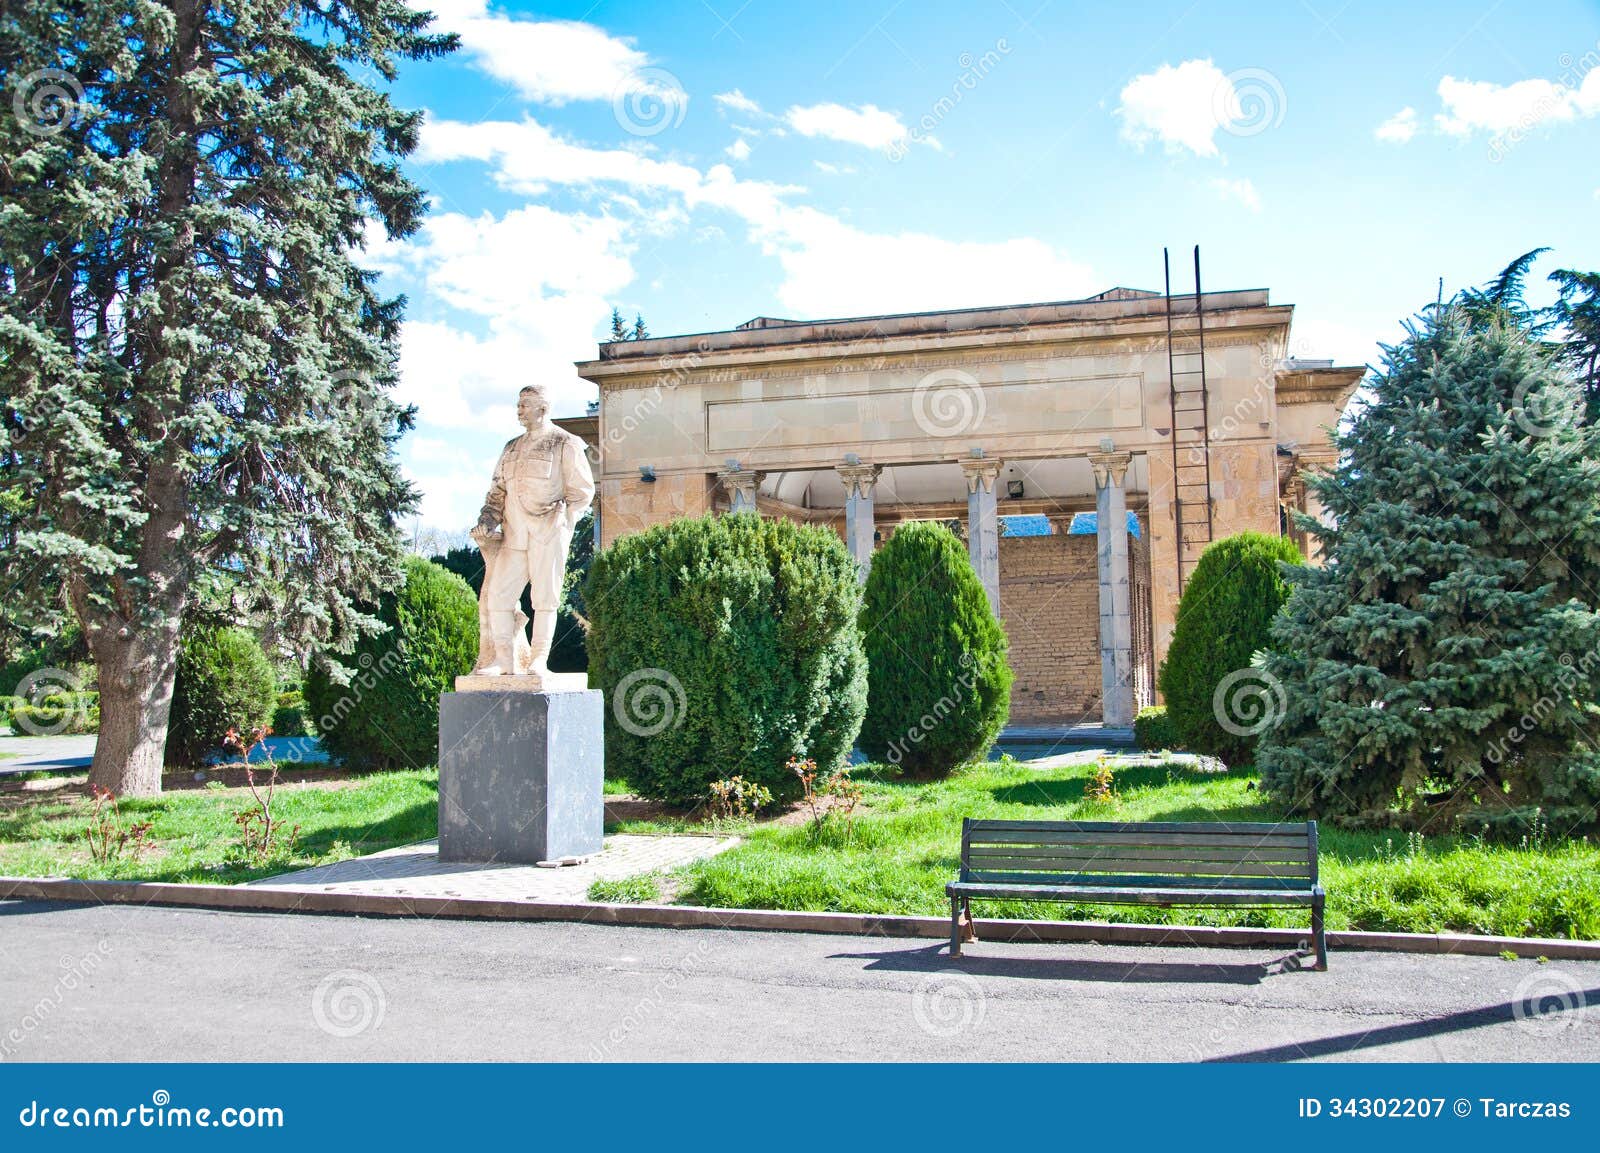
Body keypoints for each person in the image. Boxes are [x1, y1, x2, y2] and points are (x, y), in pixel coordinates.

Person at [470, 384, 595, 677]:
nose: (519, 410)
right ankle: (504, 660)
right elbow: (497, 492)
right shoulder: (511, 447)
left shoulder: (566, 443)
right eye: (518, 404)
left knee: (545, 599)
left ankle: (539, 659)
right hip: (514, 535)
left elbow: (583, 492)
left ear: (543, 408)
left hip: (548, 531)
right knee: (498, 598)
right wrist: (488, 520)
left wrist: (564, 521)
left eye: (525, 404)